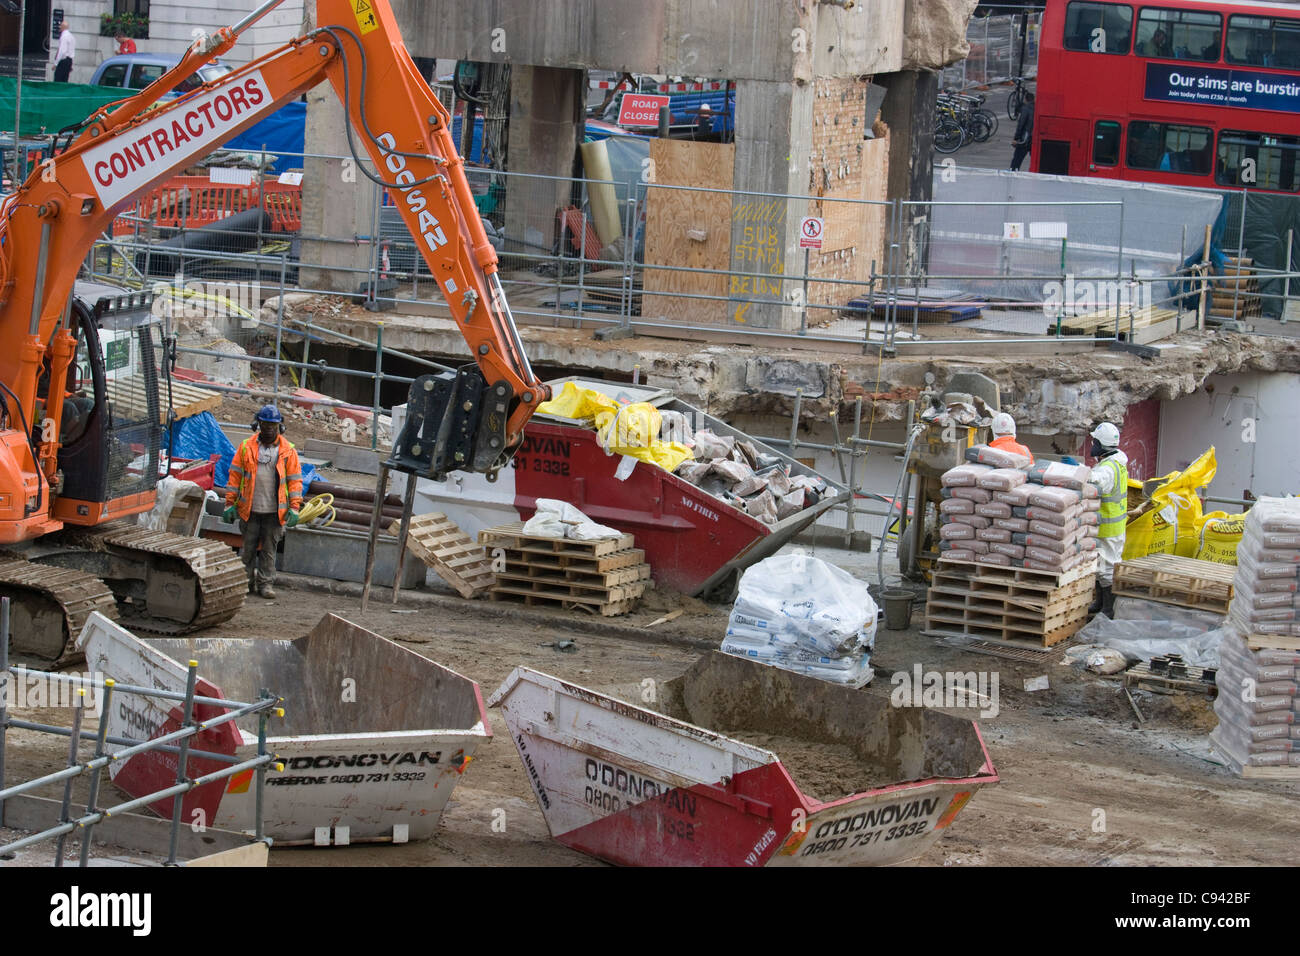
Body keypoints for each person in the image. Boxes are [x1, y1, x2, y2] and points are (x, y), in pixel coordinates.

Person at [223, 405, 303, 599]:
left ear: (280, 427)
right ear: (257, 424)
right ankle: (245, 583)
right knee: (248, 550)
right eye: (265, 424)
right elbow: (234, 477)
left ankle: (265, 585)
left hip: (275, 512)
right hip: (250, 509)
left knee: (269, 551)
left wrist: (294, 507)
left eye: (273, 425)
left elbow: (295, 481)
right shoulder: (245, 448)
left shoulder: (287, 451)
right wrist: (229, 504)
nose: (268, 429)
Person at [1086, 422, 1128, 617]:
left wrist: (1078, 472)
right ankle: (1100, 603)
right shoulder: (1115, 462)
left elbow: (1096, 480)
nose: (1092, 443)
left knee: (1107, 569)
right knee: (1101, 567)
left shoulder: (1108, 468)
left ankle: (1108, 609)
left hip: (1108, 527)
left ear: (1101, 444)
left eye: (1095, 440)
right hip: (1112, 526)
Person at [1009, 92, 1034, 171]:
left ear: (1025, 100)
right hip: (1033, 138)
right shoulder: (1036, 108)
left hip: (1024, 138)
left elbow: (1021, 125)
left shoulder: (1025, 109)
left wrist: (1016, 138)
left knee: (1017, 160)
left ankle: (1013, 173)